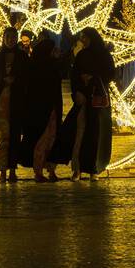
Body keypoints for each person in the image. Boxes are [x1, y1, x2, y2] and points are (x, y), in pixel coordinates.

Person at [51, 27, 115, 179]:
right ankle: (76, 167)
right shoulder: (81, 55)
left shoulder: (104, 55)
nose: (83, 40)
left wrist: (93, 78)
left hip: (98, 101)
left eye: (85, 37)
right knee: (76, 131)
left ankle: (93, 169)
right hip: (83, 98)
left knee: (96, 135)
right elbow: (74, 75)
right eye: (81, 38)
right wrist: (77, 92)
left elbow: (111, 74)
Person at [0, 27, 29, 182]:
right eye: (7, 37)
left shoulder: (22, 57)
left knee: (14, 137)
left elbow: (28, 79)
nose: (10, 40)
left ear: (16, 39)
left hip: (16, 103)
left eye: (13, 37)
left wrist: (15, 80)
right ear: (3, 38)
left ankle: (12, 171)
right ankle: (2, 170)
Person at [18, 31, 63, 181]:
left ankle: (50, 170)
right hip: (40, 112)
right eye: (53, 50)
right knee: (41, 141)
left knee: (53, 140)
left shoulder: (51, 65)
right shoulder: (37, 67)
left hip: (51, 111)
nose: (55, 52)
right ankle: (39, 172)